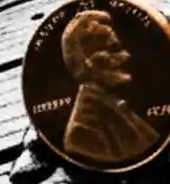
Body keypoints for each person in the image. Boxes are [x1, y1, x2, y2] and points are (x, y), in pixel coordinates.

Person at [60, 9, 160, 164]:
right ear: (87, 60)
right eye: (113, 49)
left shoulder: (116, 108)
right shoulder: (82, 132)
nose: (126, 56)